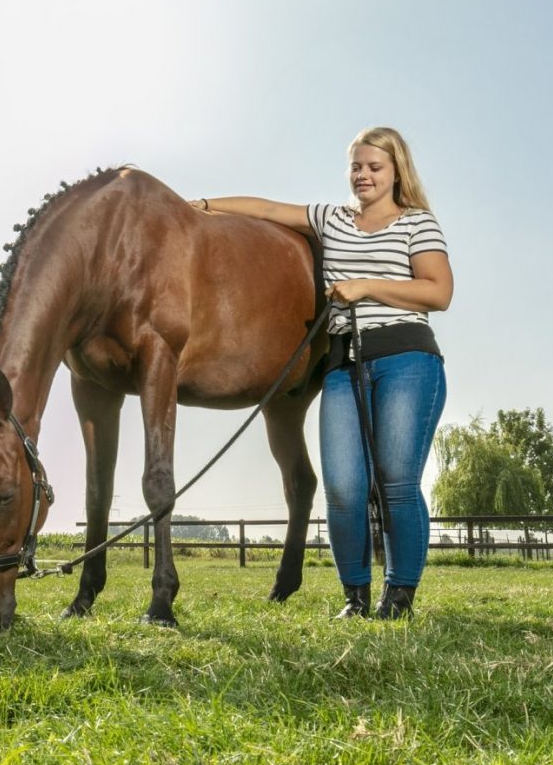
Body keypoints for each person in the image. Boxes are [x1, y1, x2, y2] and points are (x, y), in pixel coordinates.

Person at [190, 127, 453, 620]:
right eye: (356, 166)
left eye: (375, 167)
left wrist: (365, 287)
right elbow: (267, 209)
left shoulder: (418, 223)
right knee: (343, 487)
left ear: (397, 171)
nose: (363, 176)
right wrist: (200, 206)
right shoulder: (331, 219)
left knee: (395, 480)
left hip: (407, 361)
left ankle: (399, 597)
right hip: (342, 365)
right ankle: (354, 597)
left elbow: (438, 293)